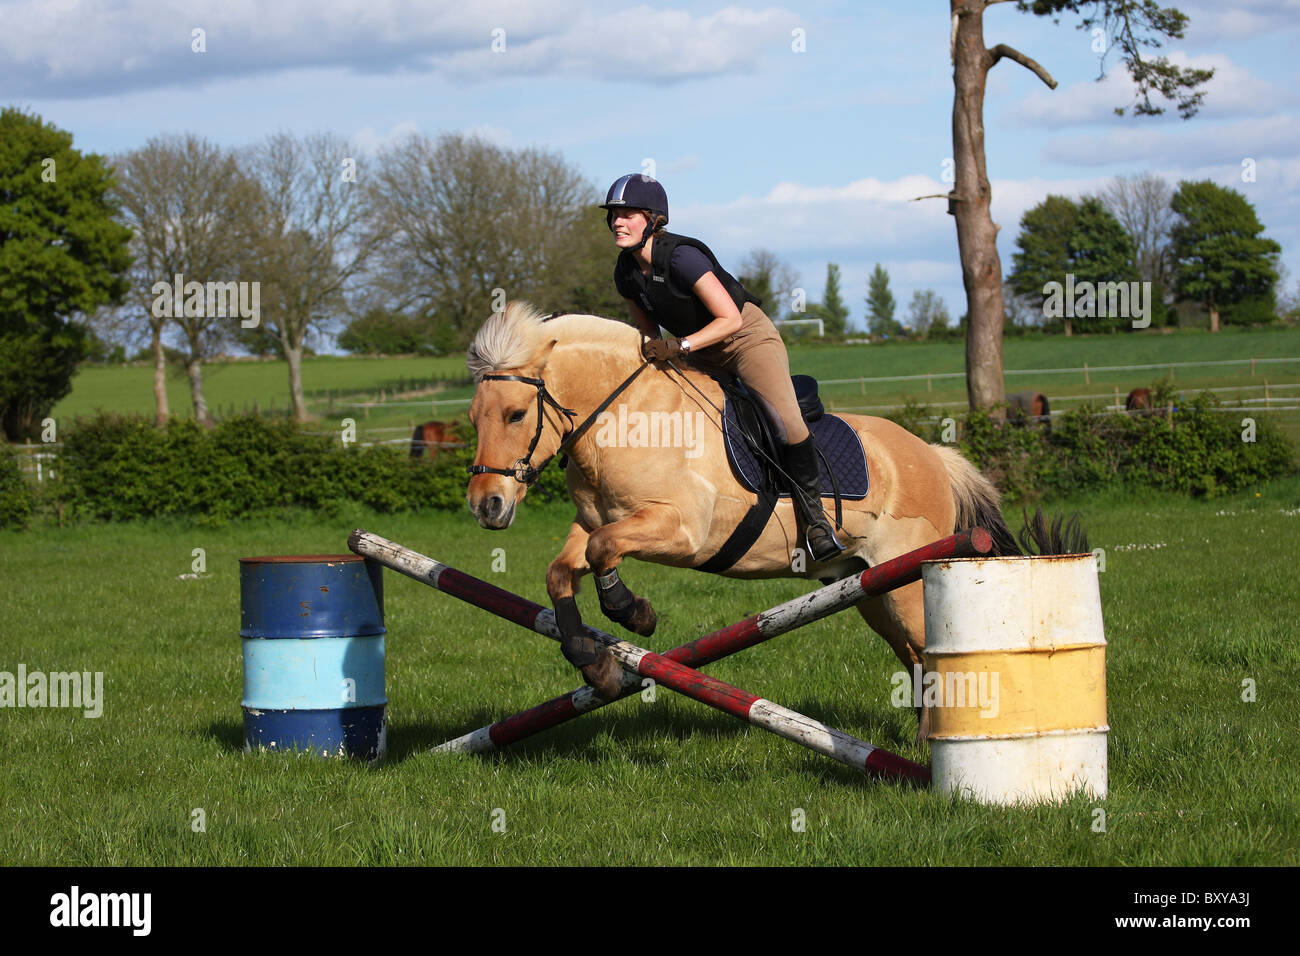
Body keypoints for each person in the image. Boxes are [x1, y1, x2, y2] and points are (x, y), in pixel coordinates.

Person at [598, 173, 843, 562]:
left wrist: (679, 345)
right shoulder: (625, 270)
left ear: (654, 219)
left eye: (627, 214)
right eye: (613, 215)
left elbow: (729, 318)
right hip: (697, 349)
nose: (617, 222)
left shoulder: (681, 257)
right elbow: (647, 334)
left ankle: (817, 520)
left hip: (745, 340)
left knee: (785, 423)